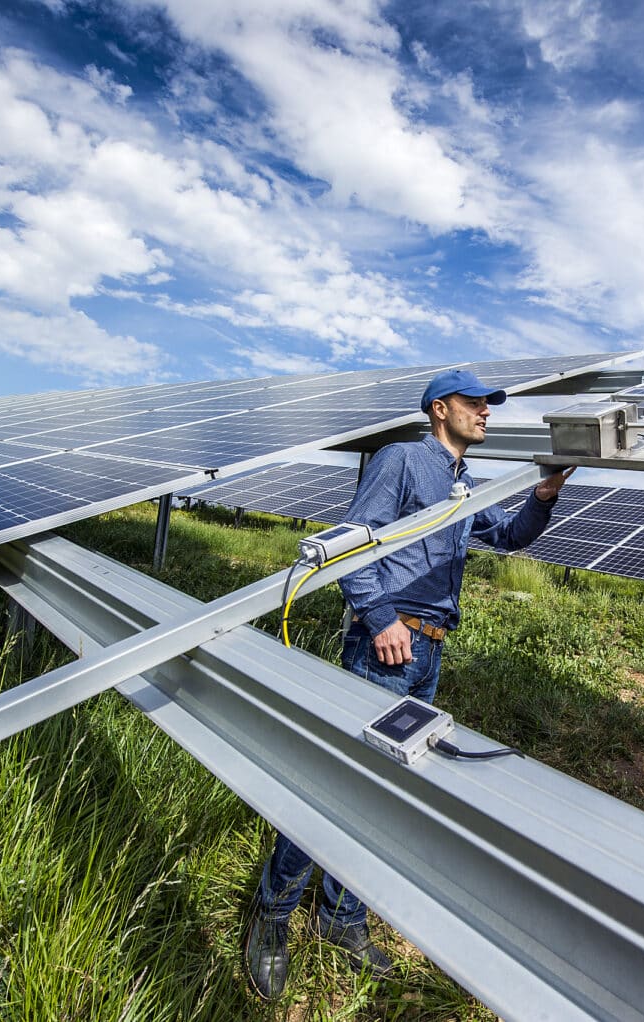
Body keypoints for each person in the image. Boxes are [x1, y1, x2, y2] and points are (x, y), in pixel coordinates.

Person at [243, 368, 573, 999]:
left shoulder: (461, 484)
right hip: (386, 646)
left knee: (384, 788)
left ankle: (341, 916)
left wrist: (546, 493)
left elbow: (505, 536)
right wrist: (380, 616)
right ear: (439, 408)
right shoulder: (400, 461)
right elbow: (350, 545)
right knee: (338, 783)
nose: (486, 413)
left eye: (488, 405)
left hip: (428, 655)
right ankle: (273, 914)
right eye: (475, 403)